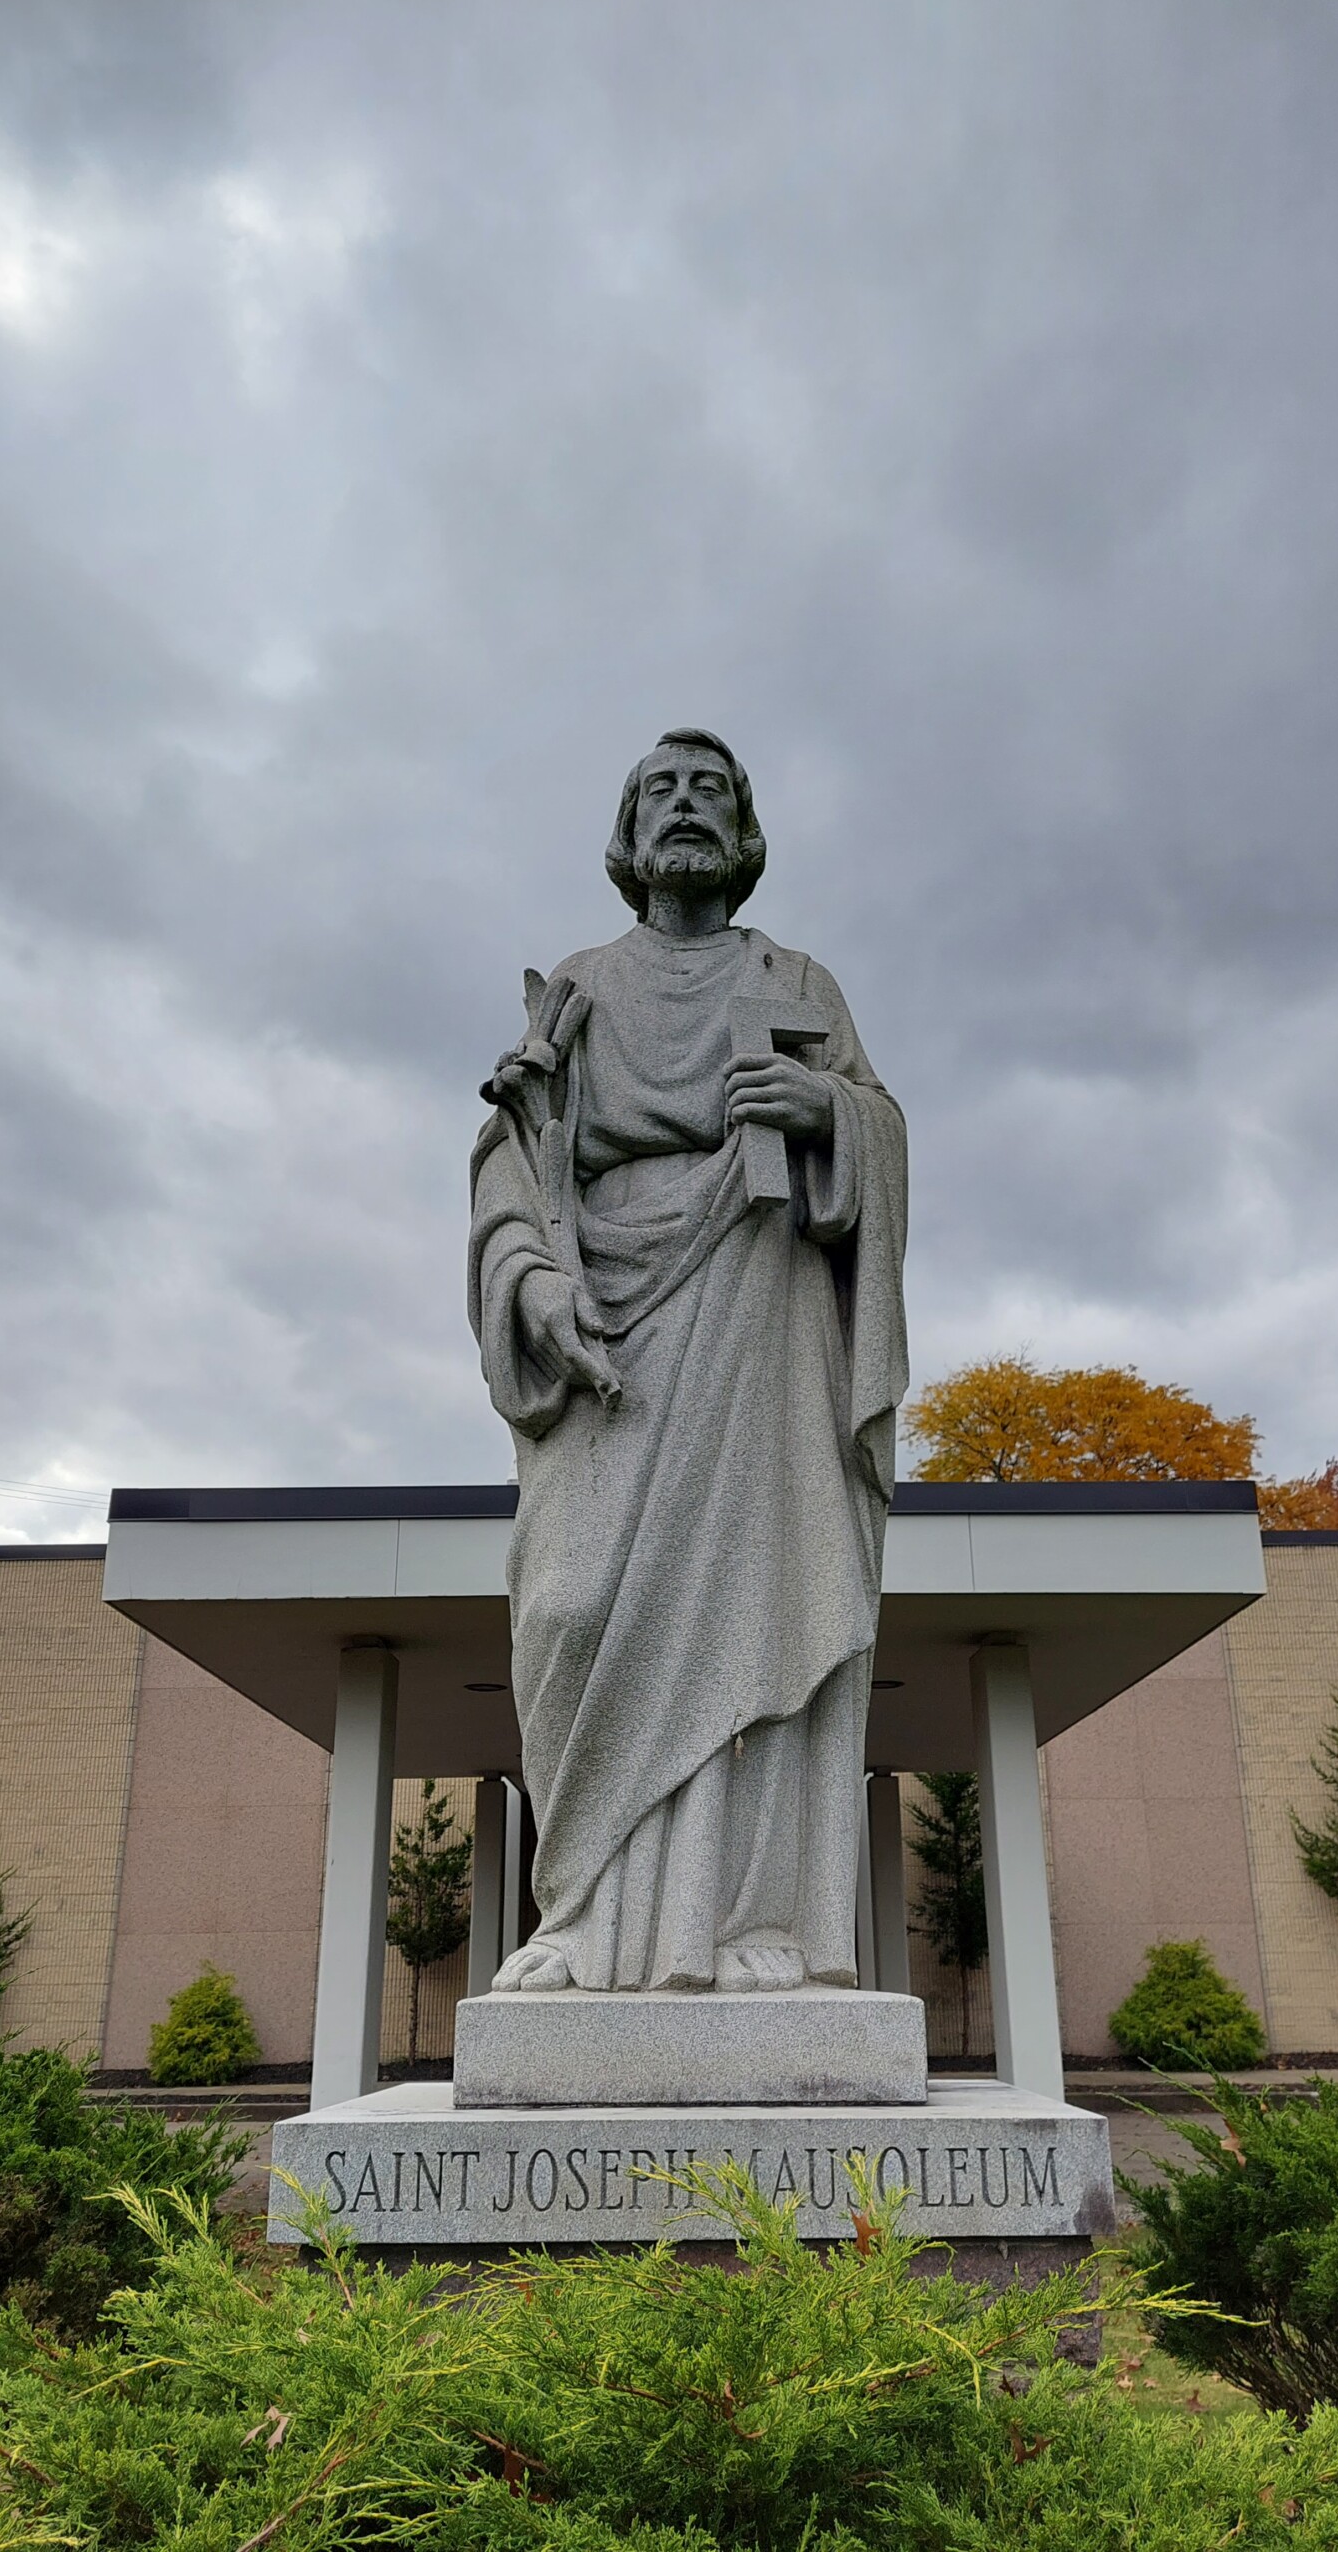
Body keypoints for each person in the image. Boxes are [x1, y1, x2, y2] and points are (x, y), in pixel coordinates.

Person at [469, 729, 907, 1994]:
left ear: (745, 829)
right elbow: (509, 1163)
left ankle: (750, 1927)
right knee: (572, 1604)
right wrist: (536, 1280)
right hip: (609, 1316)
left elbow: (879, 1127)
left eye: (711, 790)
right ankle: (587, 1922)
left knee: (756, 1601)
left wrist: (829, 1115)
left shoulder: (796, 981)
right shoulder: (583, 989)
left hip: (759, 1305)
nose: (686, 807)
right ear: (628, 827)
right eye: (661, 789)